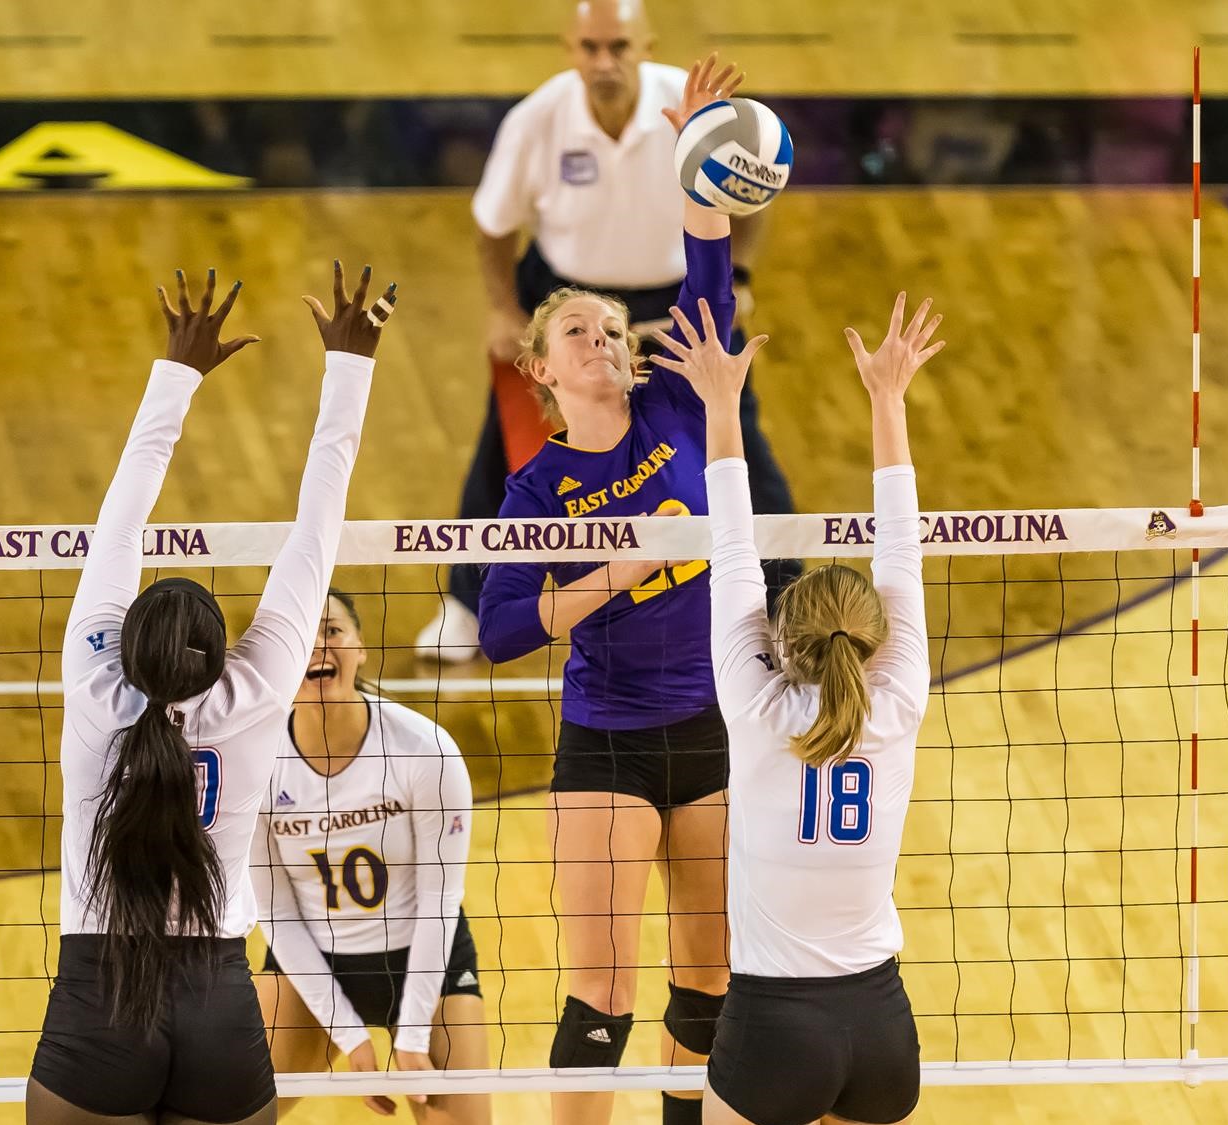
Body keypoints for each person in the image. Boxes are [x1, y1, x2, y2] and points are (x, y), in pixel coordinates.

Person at [27, 264, 397, 1125]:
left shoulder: (93, 682)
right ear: (219, 650)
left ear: (126, 643)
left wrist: (177, 371)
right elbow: (320, 522)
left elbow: (120, 516)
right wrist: (349, 366)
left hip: (98, 996)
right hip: (220, 1006)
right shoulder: (260, 686)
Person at [476, 54, 745, 1125]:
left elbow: (707, 282)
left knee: (711, 984)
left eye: (612, 333)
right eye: (578, 333)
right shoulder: (534, 489)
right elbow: (500, 631)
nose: (604, 342)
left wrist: (699, 160)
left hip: (715, 722)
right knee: (603, 994)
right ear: (541, 371)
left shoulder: (674, 409)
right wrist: (603, 579)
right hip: (608, 736)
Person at [414, 0, 799, 663]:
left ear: (645, 44)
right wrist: (505, 311)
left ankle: (788, 599)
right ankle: (468, 599)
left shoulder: (691, 109)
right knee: (504, 448)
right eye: (590, 48)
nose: (603, 62)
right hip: (565, 293)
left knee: (738, 438)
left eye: (617, 47)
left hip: (681, 295)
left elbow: (753, 195)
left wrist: (741, 274)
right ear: (571, 47)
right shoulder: (537, 119)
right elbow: (492, 225)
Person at [652, 291, 938, 1125]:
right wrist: (890, 399)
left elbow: (734, 544)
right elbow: (901, 553)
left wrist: (719, 403)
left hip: (775, 1022)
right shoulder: (900, 695)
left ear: (779, 638)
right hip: (883, 1025)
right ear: (877, 639)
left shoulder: (755, 705)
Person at [253, 590, 489, 1125]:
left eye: (333, 630)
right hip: (312, 959)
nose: (319, 645)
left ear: (360, 649)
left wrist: (410, 1038)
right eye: (301, 635)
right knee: (234, 1114)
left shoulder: (424, 749)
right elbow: (275, 915)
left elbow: (440, 900)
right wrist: (351, 1037)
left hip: (423, 953)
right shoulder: (257, 763)